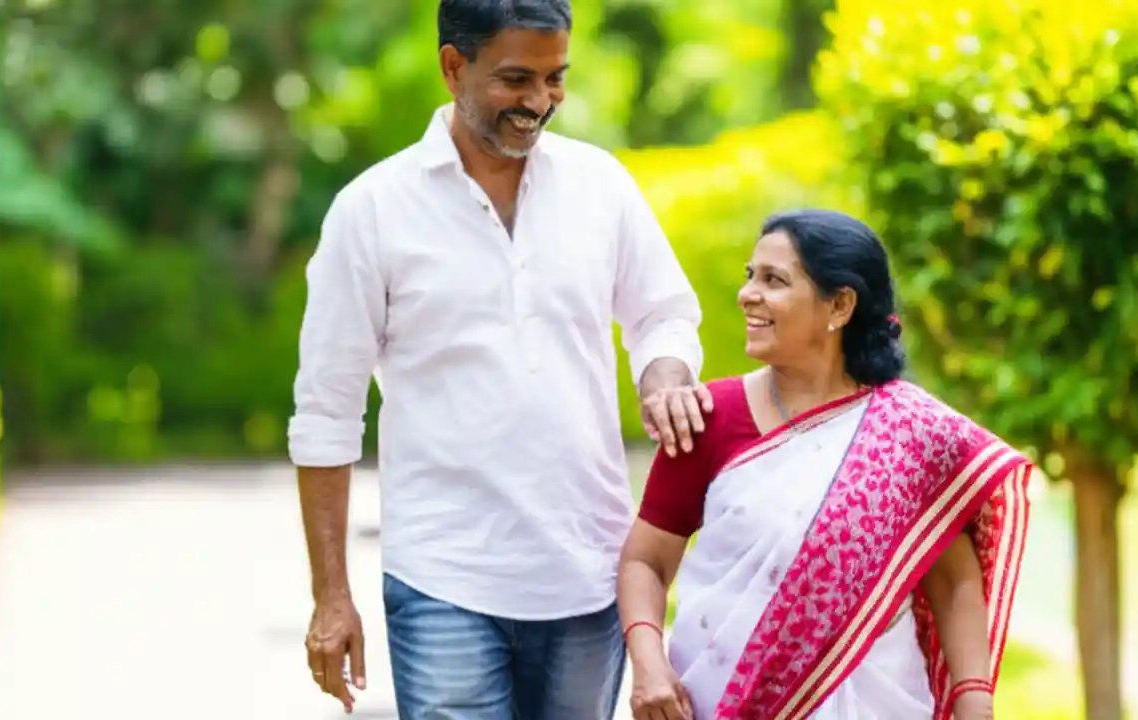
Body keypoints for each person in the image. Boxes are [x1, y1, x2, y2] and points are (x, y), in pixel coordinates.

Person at [288, 1, 712, 717]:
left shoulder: (598, 186)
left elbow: (664, 313)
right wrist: (331, 596)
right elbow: (327, 410)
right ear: (454, 66)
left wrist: (664, 369)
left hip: (587, 569)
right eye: (517, 79)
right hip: (442, 576)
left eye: (555, 78)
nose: (541, 102)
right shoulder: (373, 210)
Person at [617, 209, 1033, 720]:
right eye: (751, 276)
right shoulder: (709, 418)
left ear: (839, 305)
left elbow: (954, 581)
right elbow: (646, 561)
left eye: (774, 280)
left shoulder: (911, 435)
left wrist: (974, 699)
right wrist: (649, 663)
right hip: (717, 700)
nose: (748, 294)